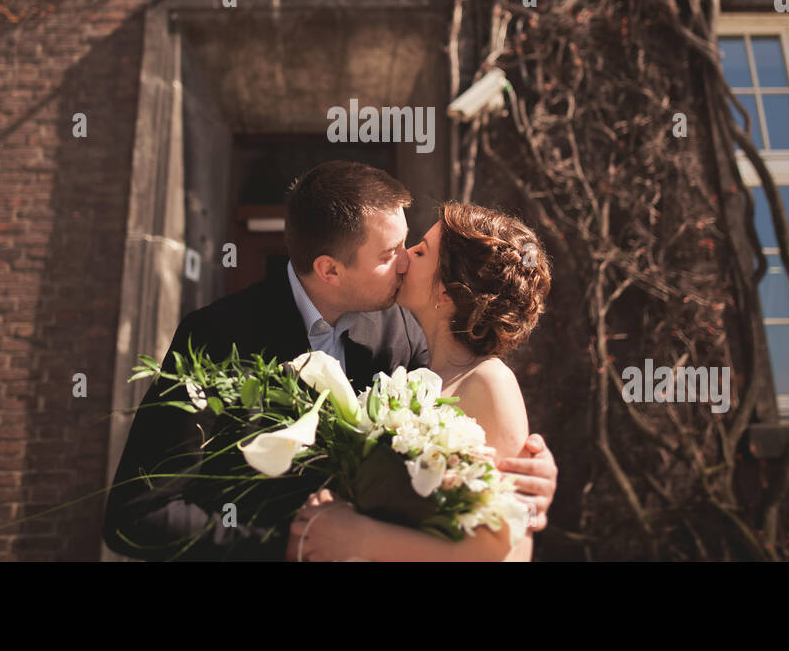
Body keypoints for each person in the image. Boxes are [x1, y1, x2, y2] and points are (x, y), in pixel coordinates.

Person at [102, 160, 558, 560]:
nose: (404, 263)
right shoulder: (215, 338)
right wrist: (288, 545)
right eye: (390, 253)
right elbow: (136, 515)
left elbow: (474, 462)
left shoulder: (402, 335)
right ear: (330, 270)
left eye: (410, 246)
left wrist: (530, 481)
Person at [288, 201, 551, 561]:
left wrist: (360, 539)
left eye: (420, 250)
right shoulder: (414, 374)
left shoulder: (491, 383)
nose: (404, 256)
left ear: (445, 290)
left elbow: (511, 549)